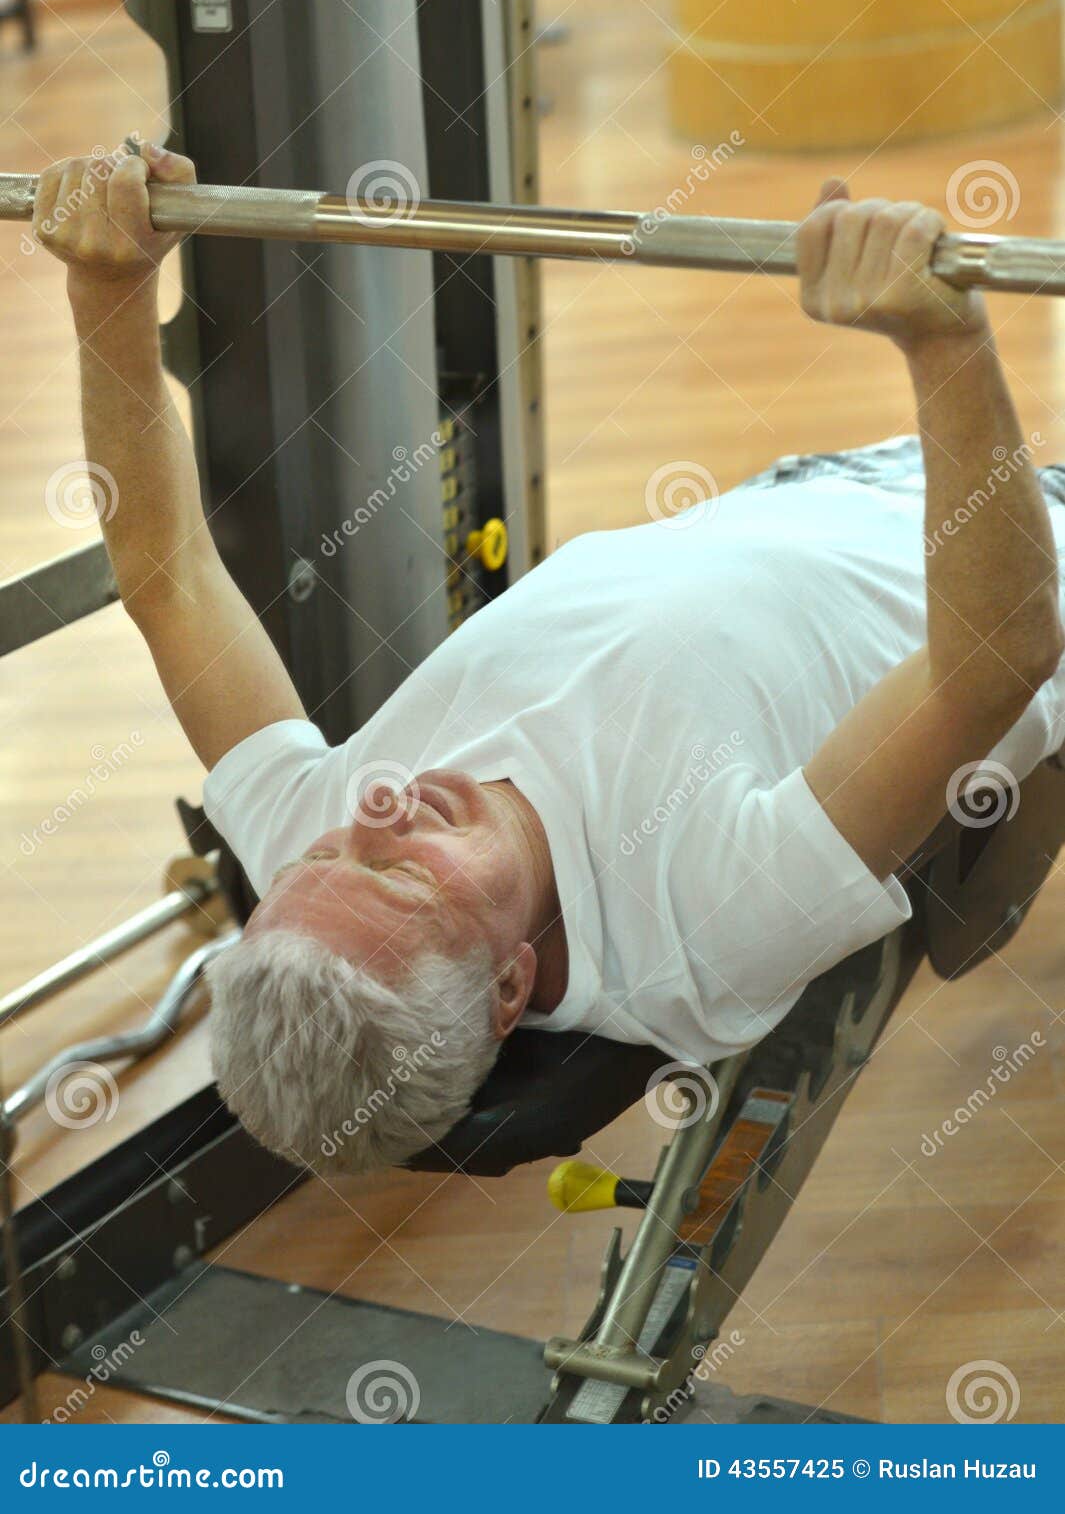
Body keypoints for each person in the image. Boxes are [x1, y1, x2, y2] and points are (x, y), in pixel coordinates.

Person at [34, 144, 1065, 1174]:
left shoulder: (316, 889)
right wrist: (943, 339)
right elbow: (992, 656)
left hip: (815, 488)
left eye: (322, 855)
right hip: (1023, 549)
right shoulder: (707, 930)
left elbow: (168, 578)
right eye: (403, 877)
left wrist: (107, 288)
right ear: (509, 987)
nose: (374, 811)